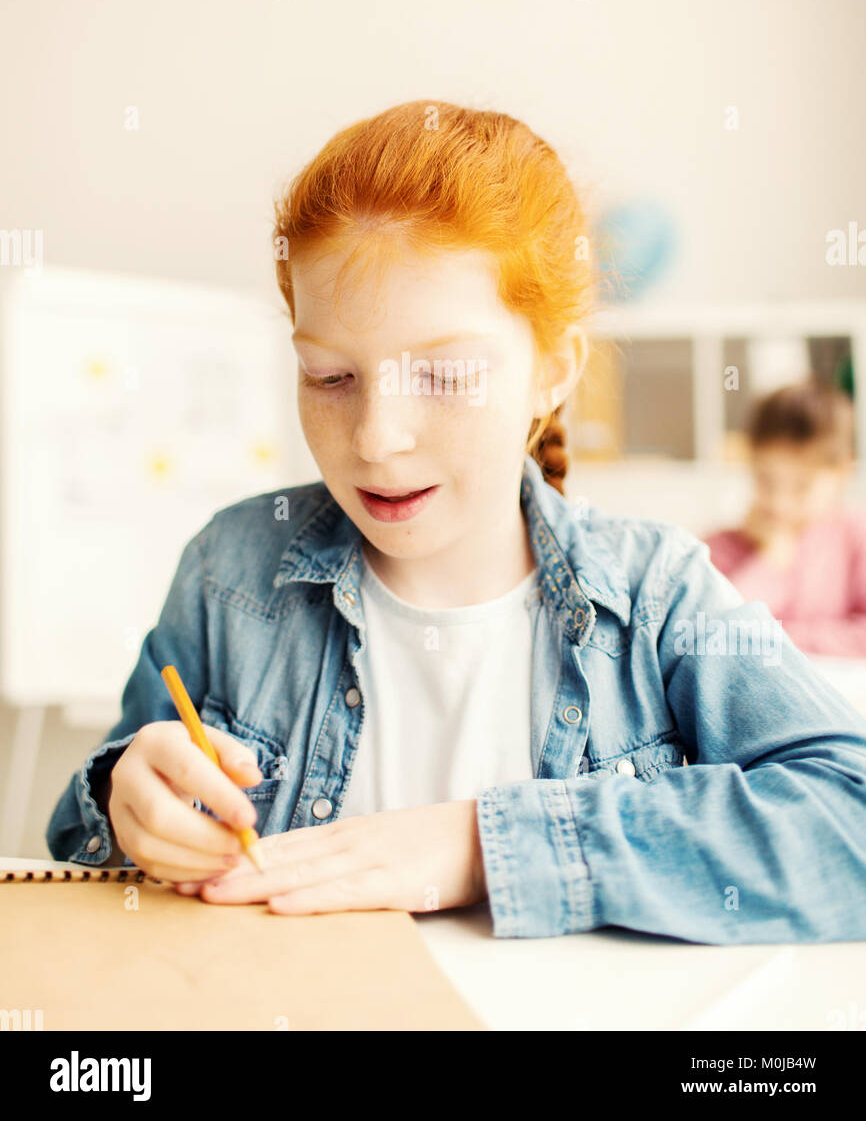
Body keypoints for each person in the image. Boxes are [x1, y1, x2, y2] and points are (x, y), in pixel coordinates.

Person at [47, 101, 866, 942]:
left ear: (552, 372)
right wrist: (125, 803)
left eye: (442, 377)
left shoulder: (656, 593)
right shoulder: (230, 574)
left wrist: (485, 845)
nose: (376, 439)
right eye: (330, 377)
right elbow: (89, 845)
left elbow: (850, 821)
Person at [705, 380, 866, 657]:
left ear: (842, 472)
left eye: (802, 486)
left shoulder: (856, 538)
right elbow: (715, 635)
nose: (780, 502)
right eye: (765, 480)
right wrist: (772, 561)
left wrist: (774, 639)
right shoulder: (721, 548)